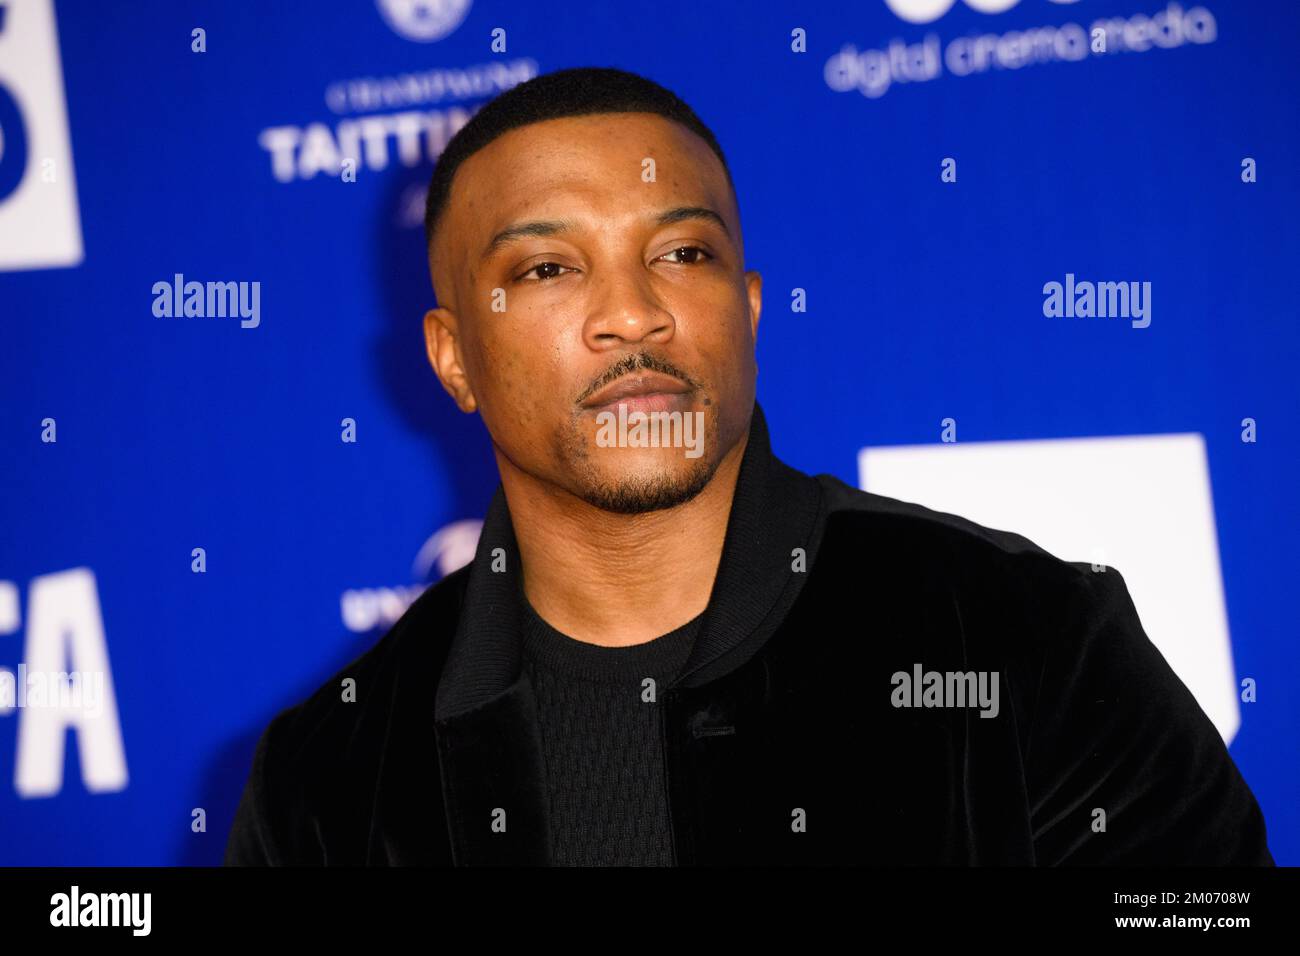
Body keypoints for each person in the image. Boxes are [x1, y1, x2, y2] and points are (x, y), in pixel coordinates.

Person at [224, 66, 1273, 866]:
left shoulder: (1027, 641)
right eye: (547, 268)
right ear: (454, 359)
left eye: (682, 254)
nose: (633, 312)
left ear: (750, 307)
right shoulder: (330, 776)